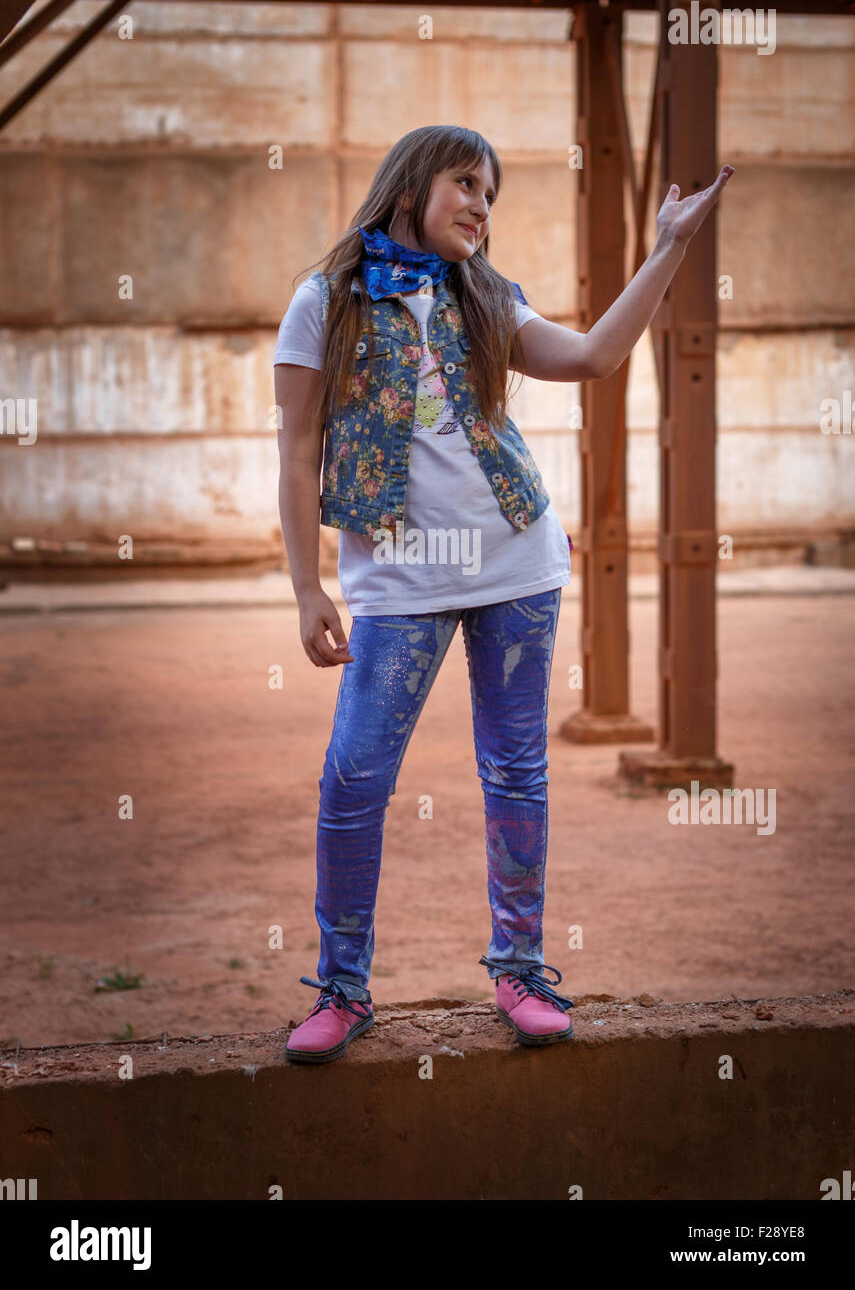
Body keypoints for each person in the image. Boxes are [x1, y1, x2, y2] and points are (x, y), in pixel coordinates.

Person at [274, 125, 734, 1063]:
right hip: (396, 581)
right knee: (354, 780)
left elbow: (595, 358)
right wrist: (306, 587)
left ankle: (517, 970)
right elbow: (292, 448)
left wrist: (669, 247)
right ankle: (342, 988)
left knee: (515, 771)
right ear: (412, 185)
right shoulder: (324, 300)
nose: (483, 207)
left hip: (516, 570)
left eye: (492, 193)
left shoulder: (486, 296)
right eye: (467, 185)